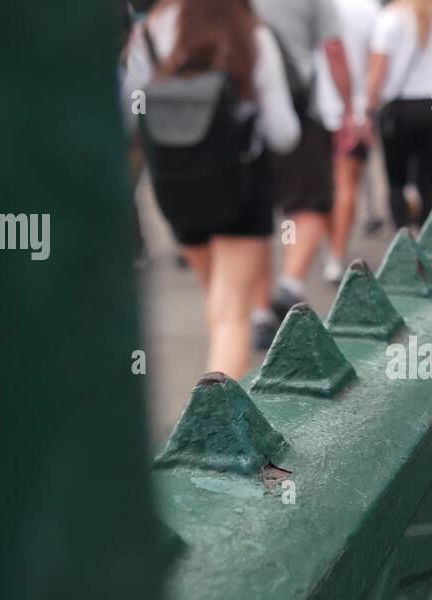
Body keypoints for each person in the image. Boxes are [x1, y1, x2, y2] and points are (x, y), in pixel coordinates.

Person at [124, 0, 300, 379]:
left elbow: (131, 112)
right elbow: (284, 133)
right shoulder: (253, 35)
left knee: (217, 303)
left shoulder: (152, 32)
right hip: (241, 187)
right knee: (234, 313)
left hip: (176, 187)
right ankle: (217, 419)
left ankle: (226, 381)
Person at [251, 0, 354, 348]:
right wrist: (348, 107)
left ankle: (260, 311)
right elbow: (334, 49)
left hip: (235, 111)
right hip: (295, 104)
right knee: (308, 201)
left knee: (256, 212)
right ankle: (290, 283)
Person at [366, 0, 432, 230]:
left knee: (396, 179)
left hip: (399, 103)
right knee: (428, 178)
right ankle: (426, 229)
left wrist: (370, 108)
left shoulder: (390, 18)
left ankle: (402, 231)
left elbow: (379, 69)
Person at [312, 0, 381, 283]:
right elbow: (376, 61)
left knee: (326, 186)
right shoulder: (368, 8)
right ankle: (337, 254)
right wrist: (364, 109)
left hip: (312, 108)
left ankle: (333, 249)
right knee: (346, 184)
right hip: (353, 106)